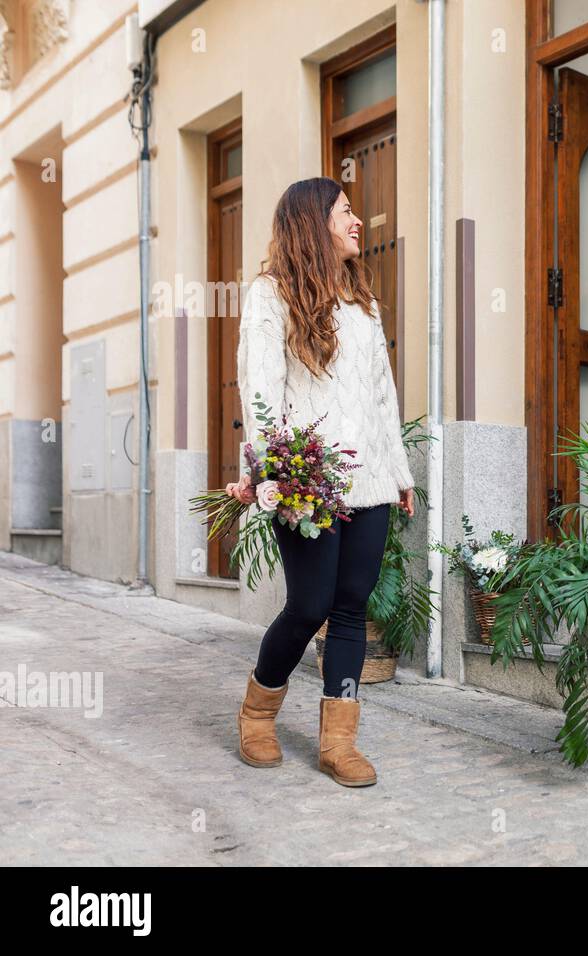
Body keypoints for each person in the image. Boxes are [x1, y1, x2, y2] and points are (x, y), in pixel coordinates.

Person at [227, 177, 415, 787]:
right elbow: (259, 392)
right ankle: (258, 713)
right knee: (309, 606)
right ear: (313, 223)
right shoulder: (270, 296)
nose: (358, 221)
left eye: (356, 210)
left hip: (370, 482)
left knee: (351, 607)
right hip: (309, 481)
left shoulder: (364, 306)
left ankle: (339, 741)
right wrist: (270, 471)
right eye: (345, 211)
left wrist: (399, 470)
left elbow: (383, 396)